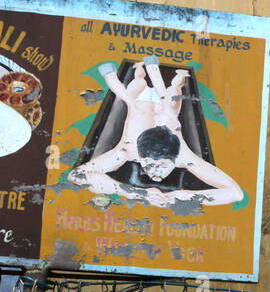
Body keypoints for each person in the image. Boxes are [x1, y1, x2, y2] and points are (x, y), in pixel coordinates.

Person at [69, 57, 244, 207]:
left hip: (157, 106)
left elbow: (236, 194)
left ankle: (177, 80)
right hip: (142, 99)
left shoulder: (184, 156)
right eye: (149, 164)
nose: (155, 172)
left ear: (174, 158)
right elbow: (76, 175)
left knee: (173, 94)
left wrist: (182, 197)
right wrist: (134, 193)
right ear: (141, 155)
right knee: (141, 85)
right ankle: (141, 72)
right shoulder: (129, 149)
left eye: (161, 166)